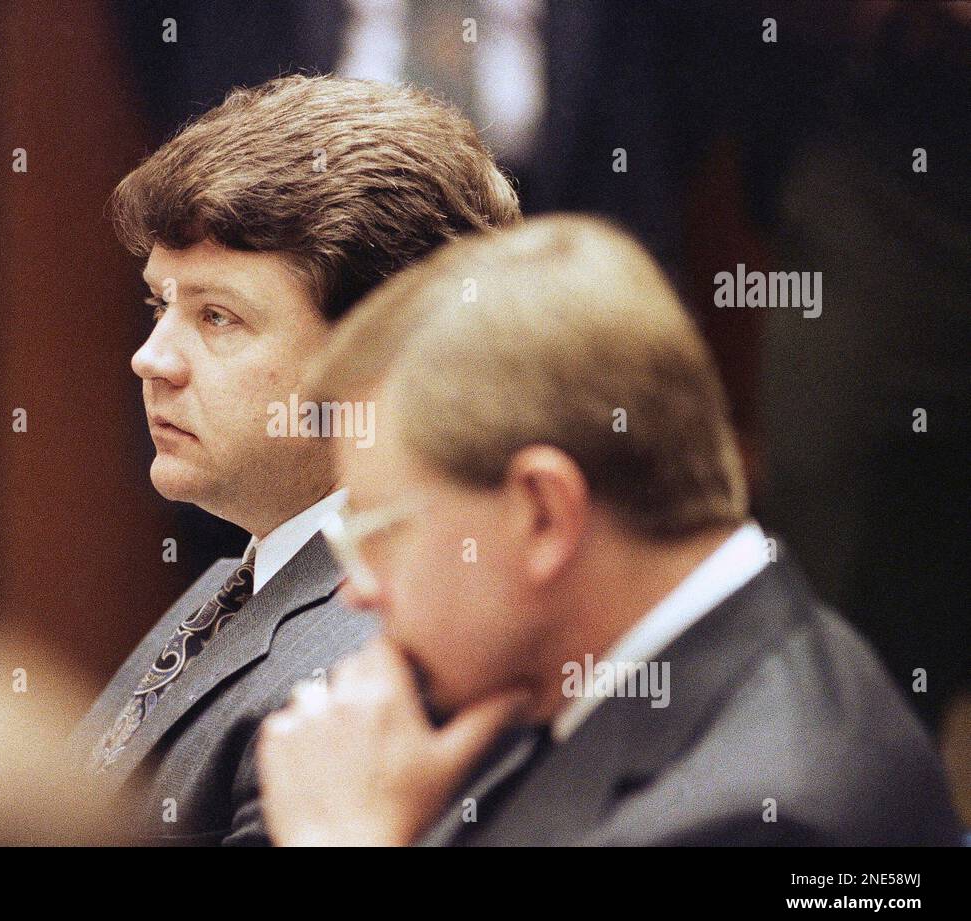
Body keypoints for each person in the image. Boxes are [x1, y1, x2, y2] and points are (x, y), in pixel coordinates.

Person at [256, 215, 961, 846]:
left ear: (543, 514)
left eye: (377, 532)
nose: (355, 588)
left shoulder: (760, 819)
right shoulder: (547, 682)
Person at [70, 74, 521, 844]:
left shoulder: (373, 680)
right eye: (159, 305)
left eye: (218, 316)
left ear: (383, 357)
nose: (152, 358)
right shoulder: (243, 576)